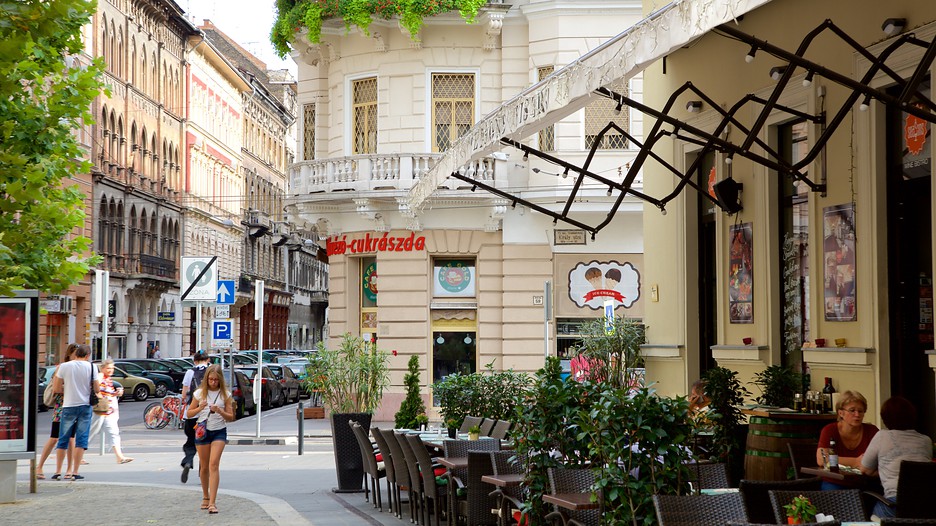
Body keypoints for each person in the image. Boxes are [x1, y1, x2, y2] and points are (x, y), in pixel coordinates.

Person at [860, 396, 934, 519]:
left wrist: (883, 470)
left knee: (872, 511)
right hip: (927, 506)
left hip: (895, 505)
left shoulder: (882, 436)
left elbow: (865, 469)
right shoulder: (926, 441)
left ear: (885, 418)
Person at [186, 364, 234, 514]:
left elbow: (231, 417)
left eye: (215, 380)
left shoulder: (225, 394)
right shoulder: (199, 393)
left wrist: (219, 410)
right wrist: (200, 408)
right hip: (202, 431)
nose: (213, 382)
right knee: (204, 466)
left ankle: (213, 502)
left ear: (220, 380)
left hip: (219, 431)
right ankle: (205, 497)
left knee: (214, 464)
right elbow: (189, 413)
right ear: (206, 379)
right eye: (210, 379)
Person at [52, 343, 100, 481]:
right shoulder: (92, 367)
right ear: (88, 355)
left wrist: (68, 390)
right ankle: (75, 471)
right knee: (81, 439)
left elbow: (56, 389)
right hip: (85, 406)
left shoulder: (64, 366)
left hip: (68, 406)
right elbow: (96, 389)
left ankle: (57, 471)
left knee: (63, 439)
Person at [816, 390, 878, 490]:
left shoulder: (872, 431)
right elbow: (821, 459)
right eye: (852, 410)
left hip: (865, 483)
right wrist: (856, 462)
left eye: (860, 411)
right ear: (841, 413)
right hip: (836, 482)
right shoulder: (830, 430)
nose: (857, 415)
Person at [36, 344, 78, 480]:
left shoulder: (79, 368)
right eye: (75, 354)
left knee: (71, 439)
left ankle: (69, 469)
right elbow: (56, 388)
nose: (77, 357)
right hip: (61, 407)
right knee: (54, 437)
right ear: (69, 354)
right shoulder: (62, 367)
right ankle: (39, 466)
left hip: (74, 406)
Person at [87, 359, 133, 464]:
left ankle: (119, 456)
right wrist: (100, 398)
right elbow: (95, 389)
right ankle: (77, 454)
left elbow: (108, 394)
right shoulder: (100, 376)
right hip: (99, 410)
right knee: (90, 433)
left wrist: (116, 393)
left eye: (112, 368)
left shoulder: (109, 379)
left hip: (108, 411)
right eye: (108, 368)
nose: (110, 370)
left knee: (114, 433)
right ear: (102, 368)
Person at [180, 350, 210, 483]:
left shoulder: (190, 372)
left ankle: (188, 461)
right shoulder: (212, 372)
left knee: (191, 442)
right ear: (207, 360)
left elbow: (184, 393)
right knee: (205, 444)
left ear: (195, 361)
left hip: (191, 414)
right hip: (207, 415)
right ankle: (203, 472)